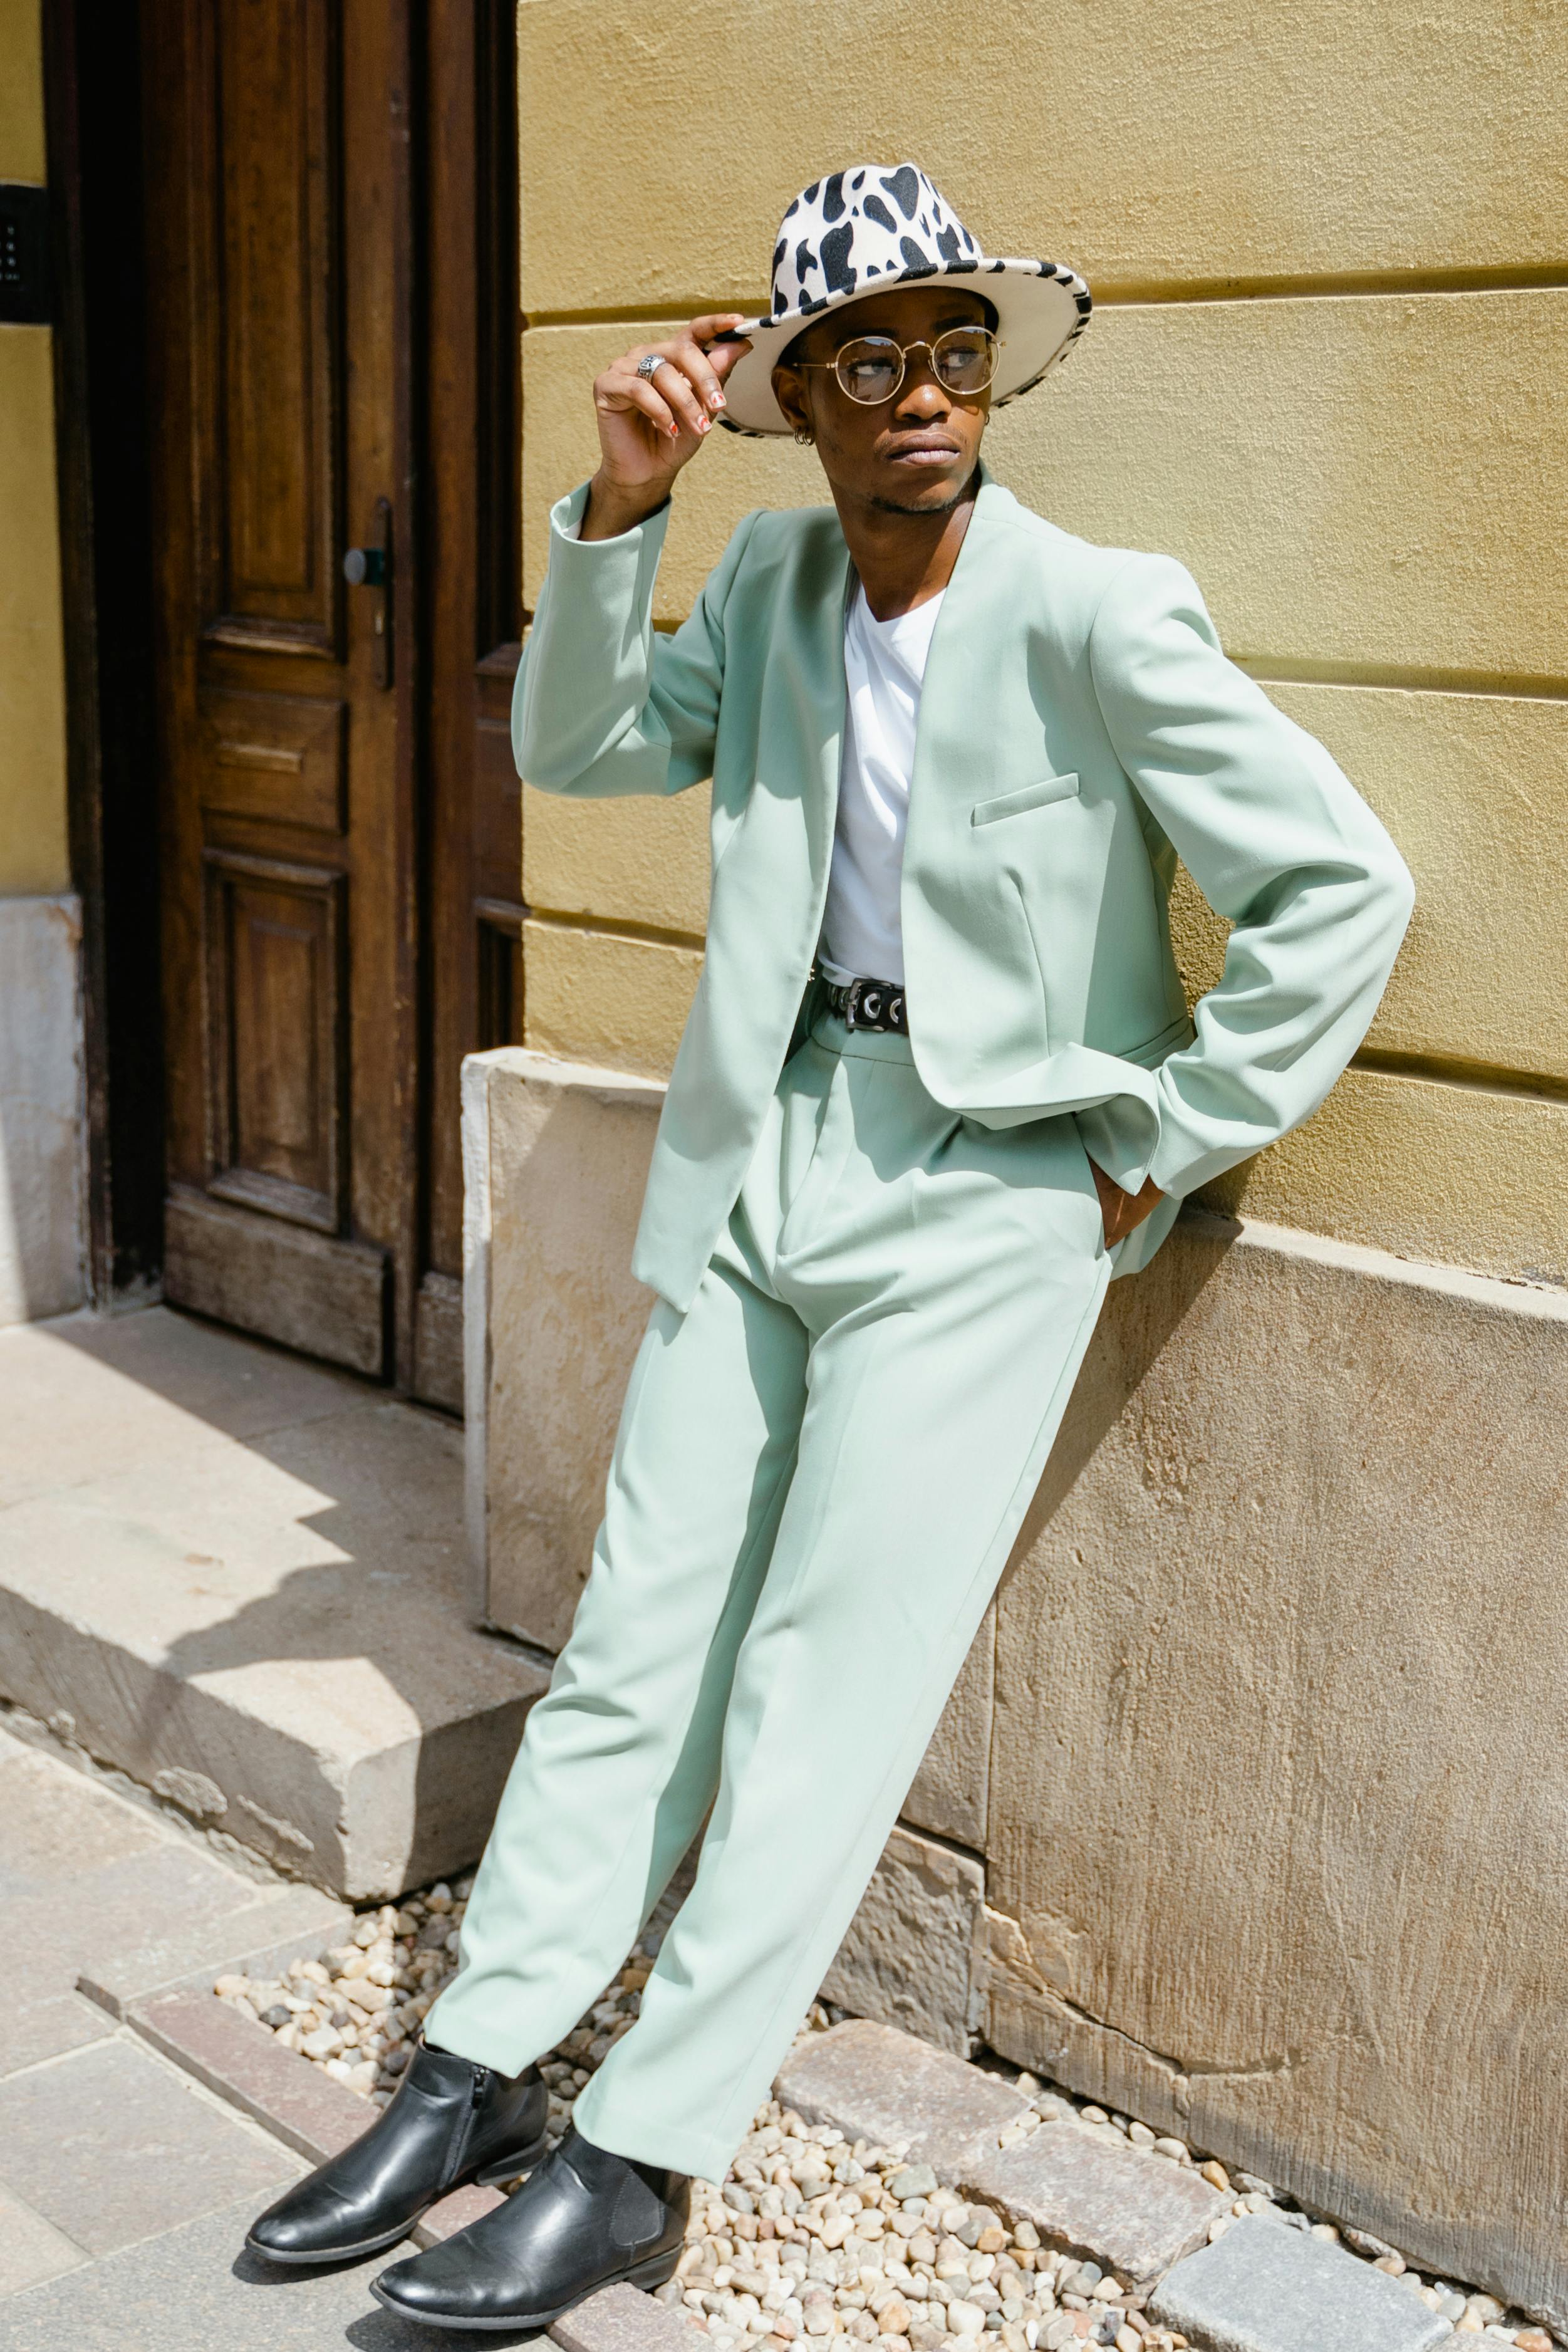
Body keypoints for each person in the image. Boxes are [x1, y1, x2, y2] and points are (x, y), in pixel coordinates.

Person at [246, 164, 1414, 2331]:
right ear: (798, 395)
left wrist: (1157, 1139)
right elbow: (581, 742)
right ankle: (485, 2062)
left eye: (951, 345)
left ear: (989, 374)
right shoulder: (778, 585)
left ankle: (642, 2147)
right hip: (769, 1145)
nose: (919, 393)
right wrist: (619, 508)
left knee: (814, 1694)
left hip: (992, 1186)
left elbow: (1340, 890)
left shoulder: (1095, 611)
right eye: (866, 357)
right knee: (637, 1633)